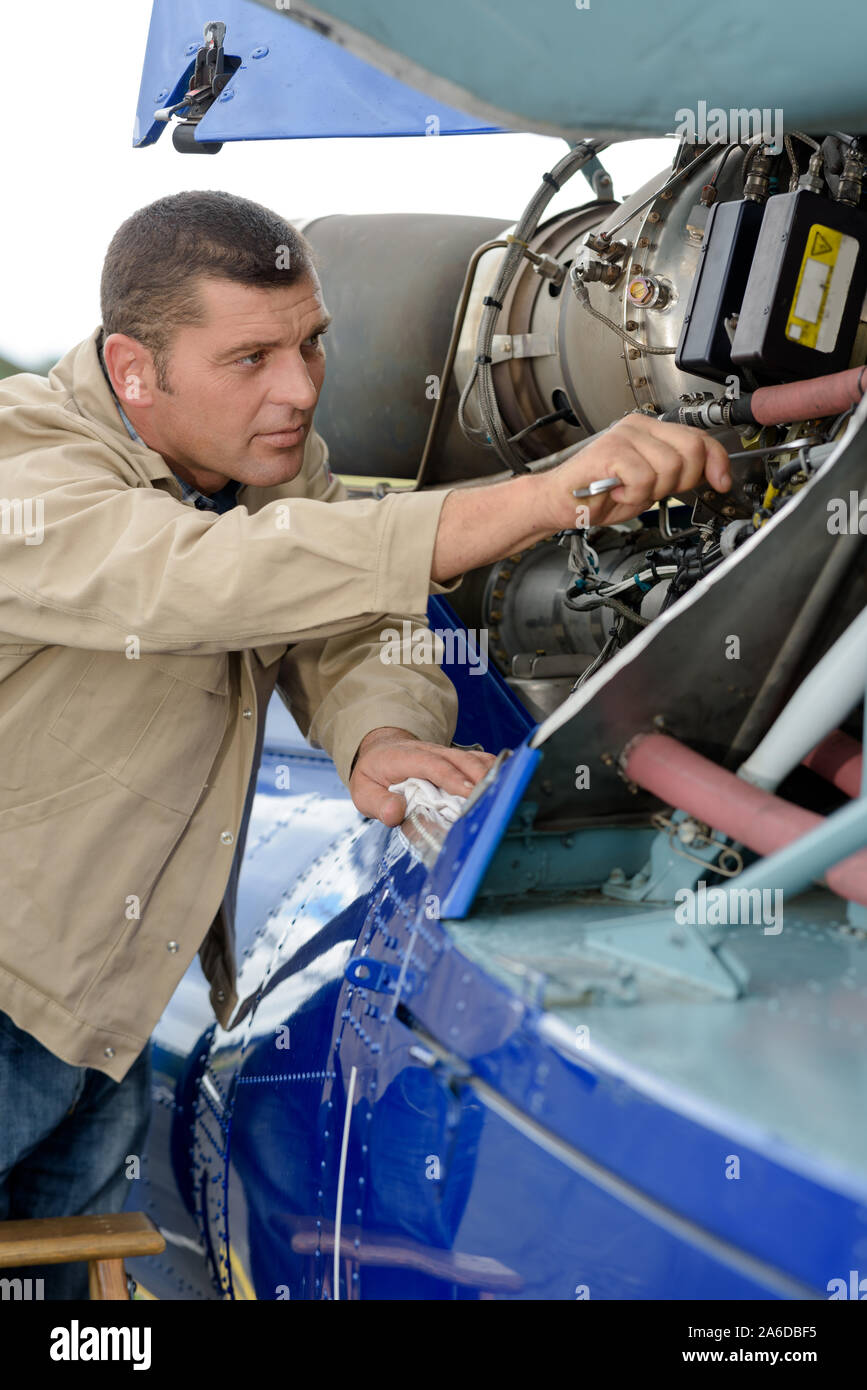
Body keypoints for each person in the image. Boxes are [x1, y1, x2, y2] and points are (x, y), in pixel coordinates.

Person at [0, 191, 731, 1298]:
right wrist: (539, 499)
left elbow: (349, 624)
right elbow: (215, 580)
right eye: (250, 357)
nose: (298, 388)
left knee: (61, 1309)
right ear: (132, 368)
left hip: (101, 1008)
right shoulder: (32, 478)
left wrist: (379, 731)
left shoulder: (260, 461)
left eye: (312, 342)